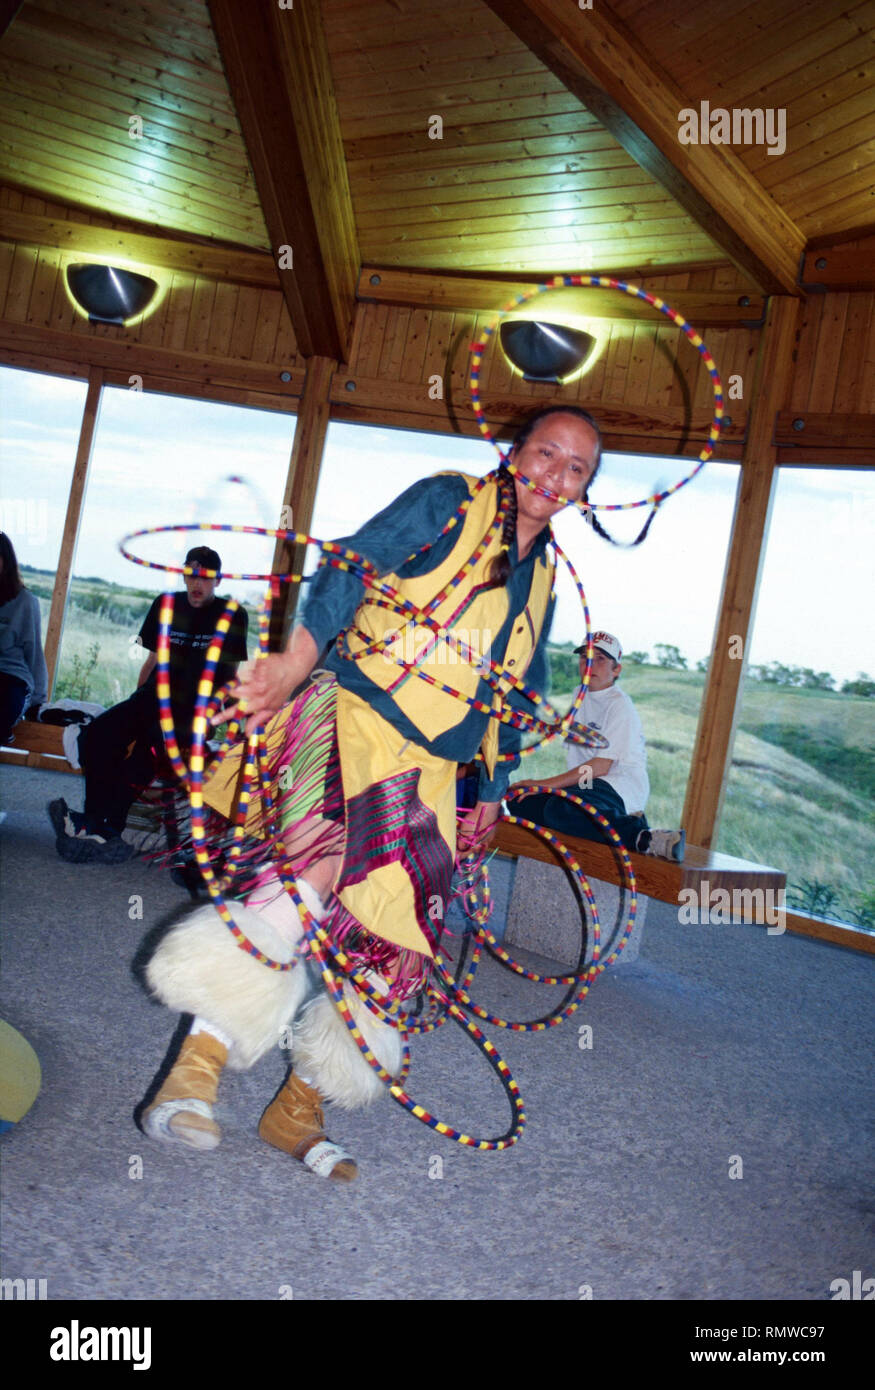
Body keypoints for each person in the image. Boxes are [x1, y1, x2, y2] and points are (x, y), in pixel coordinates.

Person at [139, 406, 602, 1181]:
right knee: (306, 880)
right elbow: (347, 568)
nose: (554, 475)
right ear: (513, 451)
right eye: (545, 452)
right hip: (351, 714)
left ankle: (298, 1109)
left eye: (576, 468)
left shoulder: (547, 575)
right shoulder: (448, 501)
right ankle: (192, 1076)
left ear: (586, 490)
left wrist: (492, 785)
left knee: (393, 951)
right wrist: (290, 663)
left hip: (432, 772)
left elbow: (519, 688)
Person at [48, 546, 248, 864]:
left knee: (152, 743)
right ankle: (100, 826)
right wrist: (133, 703)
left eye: (205, 576)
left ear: (218, 581)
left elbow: (230, 676)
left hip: (194, 710)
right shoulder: (165, 605)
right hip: (153, 696)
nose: (196, 582)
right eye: (190, 573)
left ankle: (100, 825)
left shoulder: (232, 613)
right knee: (100, 733)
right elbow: (153, 660)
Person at [510, 631, 685, 860]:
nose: (590, 664)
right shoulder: (579, 696)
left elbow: (601, 766)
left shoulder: (619, 705)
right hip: (587, 785)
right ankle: (613, 822)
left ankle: (644, 837)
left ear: (616, 670)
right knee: (521, 802)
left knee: (559, 808)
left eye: (600, 659)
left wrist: (542, 784)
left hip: (618, 783)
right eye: (585, 657)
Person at [0, 533, 48, 745]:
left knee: (6, 700)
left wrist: (39, 700)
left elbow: (34, 652)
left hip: (10, 676)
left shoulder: (25, 602)